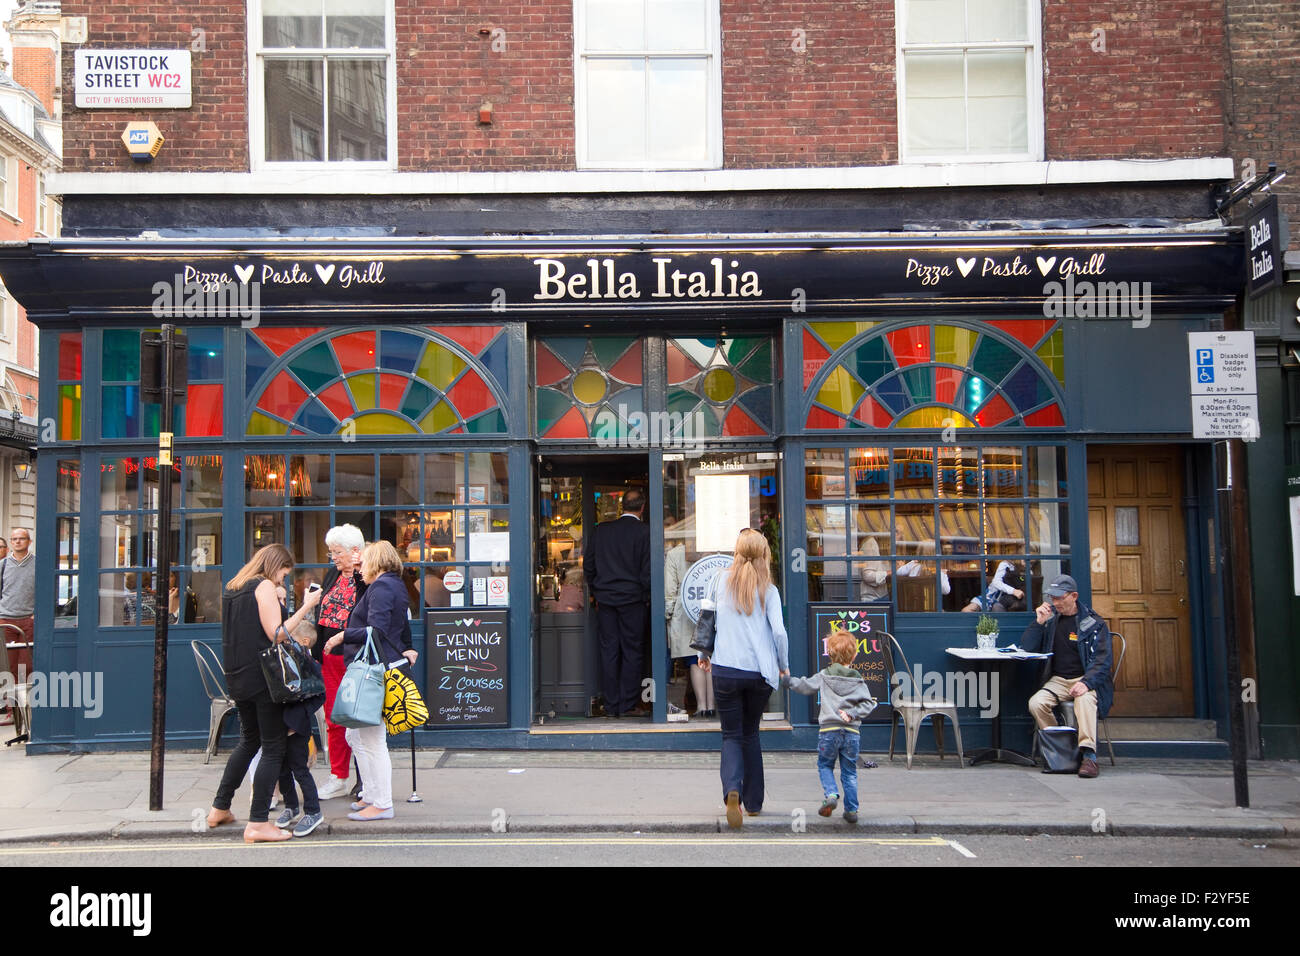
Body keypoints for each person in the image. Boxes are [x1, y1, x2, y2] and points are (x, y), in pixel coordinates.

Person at [207, 544, 321, 843]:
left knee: (248, 742)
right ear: (275, 565)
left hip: (237, 677)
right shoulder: (264, 586)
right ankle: (258, 822)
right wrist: (307, 606)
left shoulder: (234, 586)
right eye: (284, 573)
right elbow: (277, 633)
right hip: (263, 679)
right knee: (273, 748)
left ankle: (220, 807)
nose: (283, 579)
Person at [697, 528, 789, 829]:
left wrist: (704, 654)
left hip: (725, 669)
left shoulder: (719, 581)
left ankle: (731, 790)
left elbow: (706, 620)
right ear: (765, 554)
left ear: (736, 552)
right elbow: (779, 632)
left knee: (731, 735)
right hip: (759, 673)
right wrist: (783, 665)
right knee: (751, 733)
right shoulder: (770, 591)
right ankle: (754, 802)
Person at [323, 541, 418, 821]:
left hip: (374, 670)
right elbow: (400, 623)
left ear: (375, 562)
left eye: (362, 562)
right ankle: (372, 795)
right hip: (379, 666)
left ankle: (382, 802)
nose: (359, 567)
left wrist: (342, 635)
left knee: (373, 739)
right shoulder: (389, 584)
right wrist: (408, 647)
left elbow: (375, 630)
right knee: (356, 735)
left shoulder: (383, 586)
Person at [1020, 574, 1113, 779]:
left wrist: (1086, 682)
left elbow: (1103, 661)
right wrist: (1038, 623)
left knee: (1085, 700)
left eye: (1060, 598)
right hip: (1059, 680)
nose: (1055, 602)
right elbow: (1026, 648)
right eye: (1053, 598)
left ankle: (1089, 756)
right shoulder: (1052, 621)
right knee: (1036, 703)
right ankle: (1063, 750)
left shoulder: (1093, 624)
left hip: (1085, 678)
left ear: (1074, 596)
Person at [785, 629, 877, 824]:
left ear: (830, 654)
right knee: (850, 771)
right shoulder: (858, 679)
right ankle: (851, 810)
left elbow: (805, 686)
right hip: (851, 732)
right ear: (854, 655)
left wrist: (787, 681)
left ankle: (832, 795)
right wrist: (852, 714)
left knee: (825, 765)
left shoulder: (824, 675)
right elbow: (869, 703)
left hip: (828, 731)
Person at [583, 488, 651, 719]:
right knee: (633, 652)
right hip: (633, 600)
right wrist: (645, 594)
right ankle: (628, 704)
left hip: (606, 601)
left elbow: (588, 567)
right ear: (642, 508)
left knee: (609, 651)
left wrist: (597, 592)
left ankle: (611, 705)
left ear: (622, 506)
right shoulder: (644, 532)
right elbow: (647, 571)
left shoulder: (601, 531)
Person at [315, 524, 368, 800]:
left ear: (355, 552)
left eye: (337, 552)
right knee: (334, 719)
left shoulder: (368, 576)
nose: (333, 557)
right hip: (329, 657)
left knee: (357, 719)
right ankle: (338, 776)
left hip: (355, 657)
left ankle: (364, 780)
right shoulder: (332, 574)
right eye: (331, 551)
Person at [273, 587, 326, 837]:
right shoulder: (286, 659)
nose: (286, 637)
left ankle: (313, 810)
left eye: (291, 635)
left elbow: (319, 695)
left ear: (304, 642)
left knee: (299, 768)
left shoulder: (309, 664)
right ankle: (292, 807)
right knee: (282, 769)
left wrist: (298, 719)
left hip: (297, 726)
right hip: (281, 723)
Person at [664, 511, 713, 718]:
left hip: (685, 615)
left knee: (695, 659)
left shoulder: (675, 555)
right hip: (711, 612)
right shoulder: (715, 553)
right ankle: (712, 706)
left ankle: (701, 706)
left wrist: (668, 616)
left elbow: (669, 592)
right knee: (711, 657)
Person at [0, 528, 35, 674]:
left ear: (29, 541)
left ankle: (25, 696)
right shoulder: (3, 565)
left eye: (22, 538)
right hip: (5, 620)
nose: (18, 541)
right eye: (14, 539)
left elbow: (47, 590)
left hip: (29, 620)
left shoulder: (38, 563)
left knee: (26, 665)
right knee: (8, 664)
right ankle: (9, 696)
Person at [962, 559, 1026, 613]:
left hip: (1006, 600)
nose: (1025, 563)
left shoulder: (1027, 571)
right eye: (1024, 560)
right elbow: (996, 582)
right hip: (991, 595)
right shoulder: (1006, 564)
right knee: (966, 611)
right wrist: (1013, 591)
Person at [858, 533, 890, 602]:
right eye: (896, 532)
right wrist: (890, 572)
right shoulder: (871, 544)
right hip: (874, 599)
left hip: (884, 596)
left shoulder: (886, 546)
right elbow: (867, 576)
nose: (900, 536)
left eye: (902, 533)